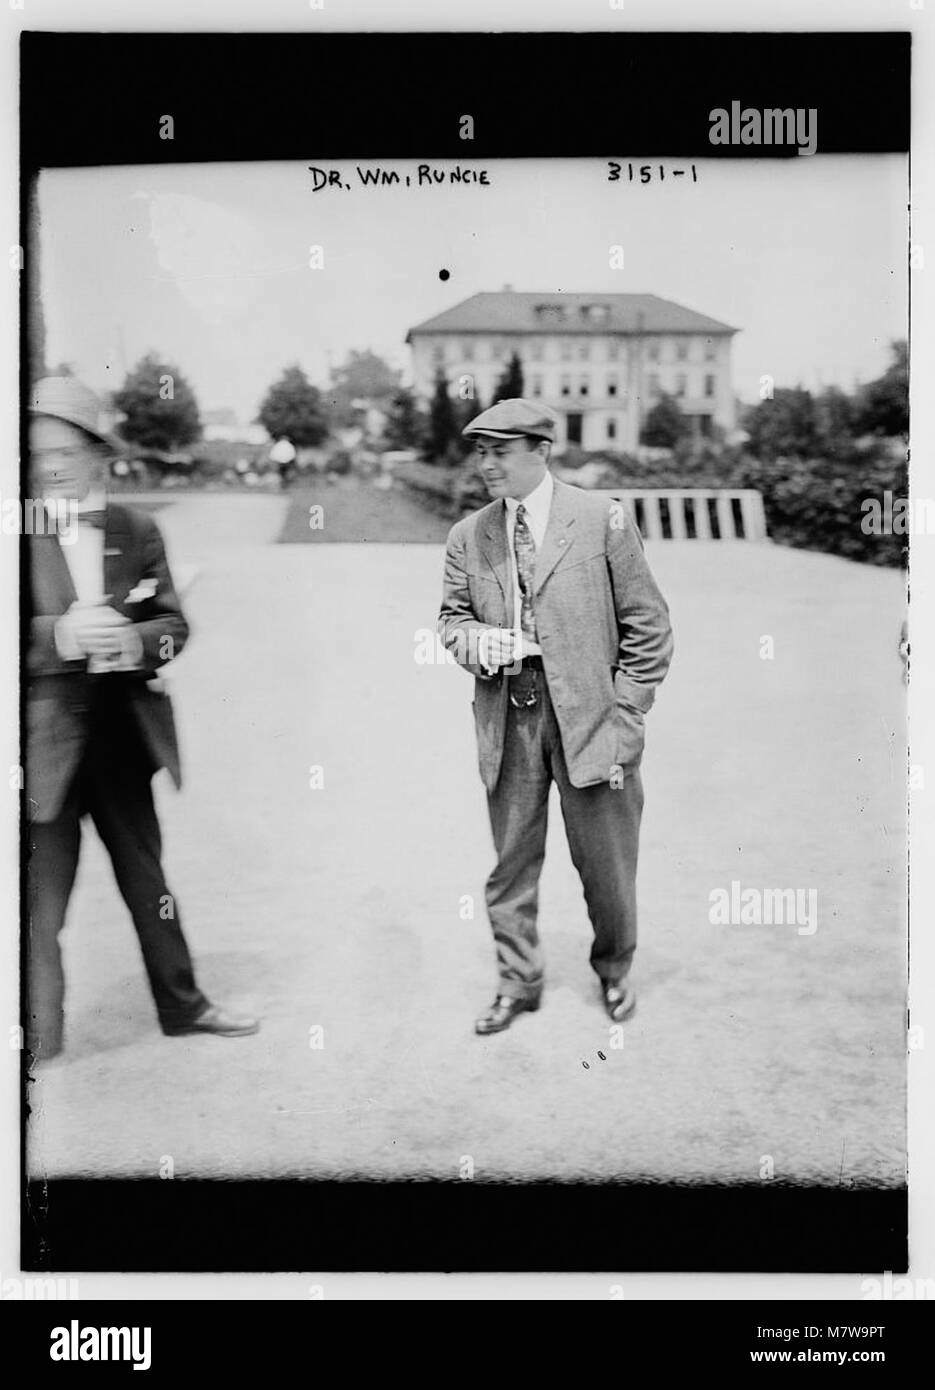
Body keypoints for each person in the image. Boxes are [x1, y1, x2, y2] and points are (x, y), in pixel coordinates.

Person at [24, 377, 259, 1062]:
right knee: (41, 902)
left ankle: (184, 1007)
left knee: (149, 885)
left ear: (101, 456)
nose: (54, 467)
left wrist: (135, 642)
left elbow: (173, 624)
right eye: (39, 455)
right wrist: (59, 636)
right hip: (43, 747)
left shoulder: (134, 529)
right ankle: (37, 1038)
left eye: (68, 451)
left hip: (124, 739)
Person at [437, 398, 674, 1035]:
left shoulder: (602, 520)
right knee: (511, 862)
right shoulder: (471, 534)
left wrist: (627, 711)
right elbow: (452, 621)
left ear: (541, 451)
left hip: (596, 718)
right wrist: (474, 644)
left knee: (607, 861)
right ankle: (517, 982)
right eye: (480, 451)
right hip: (509, 715)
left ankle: (616, 969)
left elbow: (649, 625)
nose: (486, 464)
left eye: (500, 451)